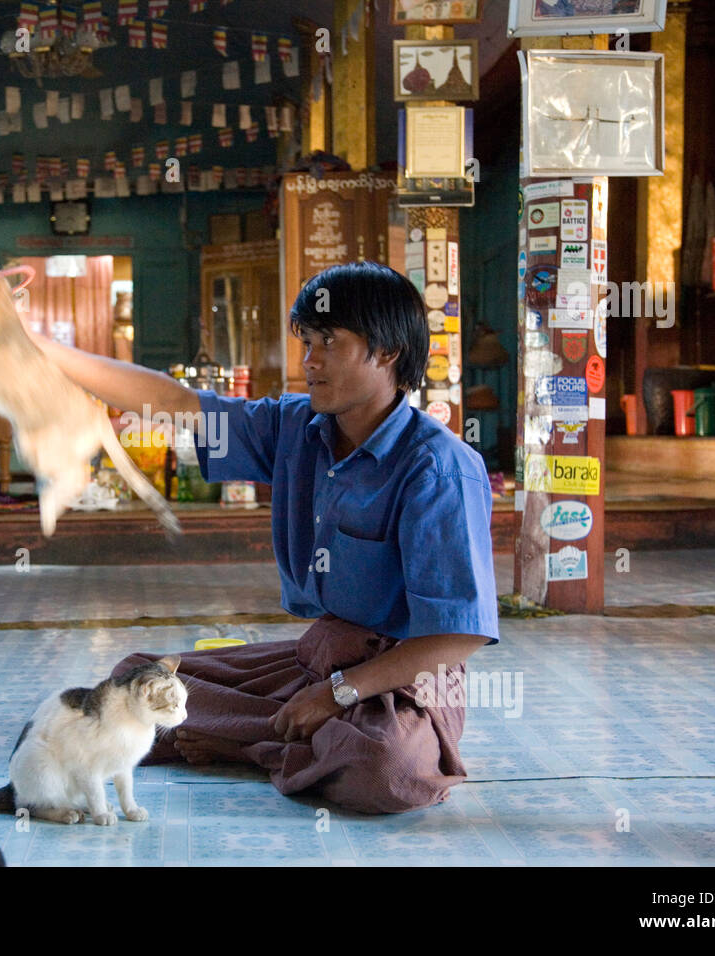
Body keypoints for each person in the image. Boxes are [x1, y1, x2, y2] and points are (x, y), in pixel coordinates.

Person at [29, 261, 499, 814]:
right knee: (136, 677)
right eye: (306, 342)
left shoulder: (439, 468)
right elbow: (178, 405)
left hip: (399, 682)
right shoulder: (294, 427)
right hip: (314, 659)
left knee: (387, 768)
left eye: (329, 341)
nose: (310, 360)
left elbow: (456, 638)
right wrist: (43, 350)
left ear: (388, 351)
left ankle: (251, 742)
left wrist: (337, 693)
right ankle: (281, 733)